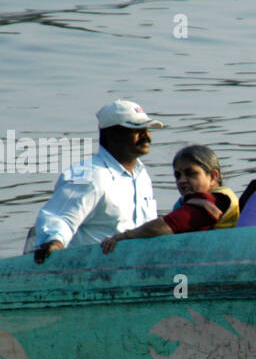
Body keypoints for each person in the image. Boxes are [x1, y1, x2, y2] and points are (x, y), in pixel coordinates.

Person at [31, 99, 162, 263]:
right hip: (93, 270)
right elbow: (59, 217)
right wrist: (54, 242)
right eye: (136, 129)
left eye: (146, 129)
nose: (146, 136)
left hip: (135, 267)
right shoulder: (88, 174)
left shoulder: (141, 175)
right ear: (112, 134)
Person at [100, 145, 239, 253]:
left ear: (213, 176)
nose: (182, 181)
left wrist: (122, 237)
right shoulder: (193, 201)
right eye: (178, 175)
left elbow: (162, 227)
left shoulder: (214, 201)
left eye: (191, 174)